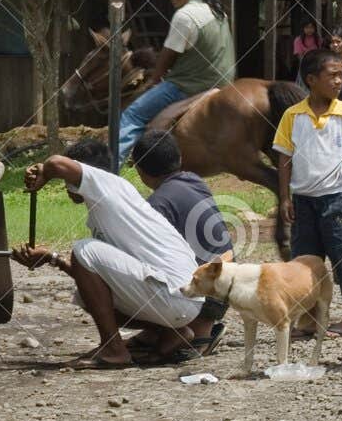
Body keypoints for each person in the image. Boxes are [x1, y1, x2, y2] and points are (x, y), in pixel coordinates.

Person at [11, 138, 200, 370]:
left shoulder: (104, 183)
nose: (66, 187)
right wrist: (52, 259)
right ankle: (173, 332)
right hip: (185, 302)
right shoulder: (113, 197)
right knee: (86, 292)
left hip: (173, 295)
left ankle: (113, 349)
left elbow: (56, 163)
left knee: (84, 249)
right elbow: (97, 281)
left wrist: (43, 170)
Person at [274, 46, 342, 337]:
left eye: (341, 75)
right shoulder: (292, 115)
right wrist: (285, 197)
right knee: (305, 263)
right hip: (303, 200)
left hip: (338, 198)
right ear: (311, 80)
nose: (339, 81)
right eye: (332, 75)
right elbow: (284, 157)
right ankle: (309, 319)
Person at [125, 129, 229, 362]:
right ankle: (191, 330)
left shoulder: (157, 204)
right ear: (179, 159)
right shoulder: (194, 181)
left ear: (140, 171)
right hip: (224, 288)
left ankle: (188, 333)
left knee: (130, 272)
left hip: (201, 294)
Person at [115, 0, 236, 163]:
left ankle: (111, 167)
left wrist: (154, 82)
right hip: (222, 81)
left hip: (188, 85)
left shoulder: (184, 16)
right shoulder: (217, 10)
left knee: (132, 116)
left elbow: (166, 57)